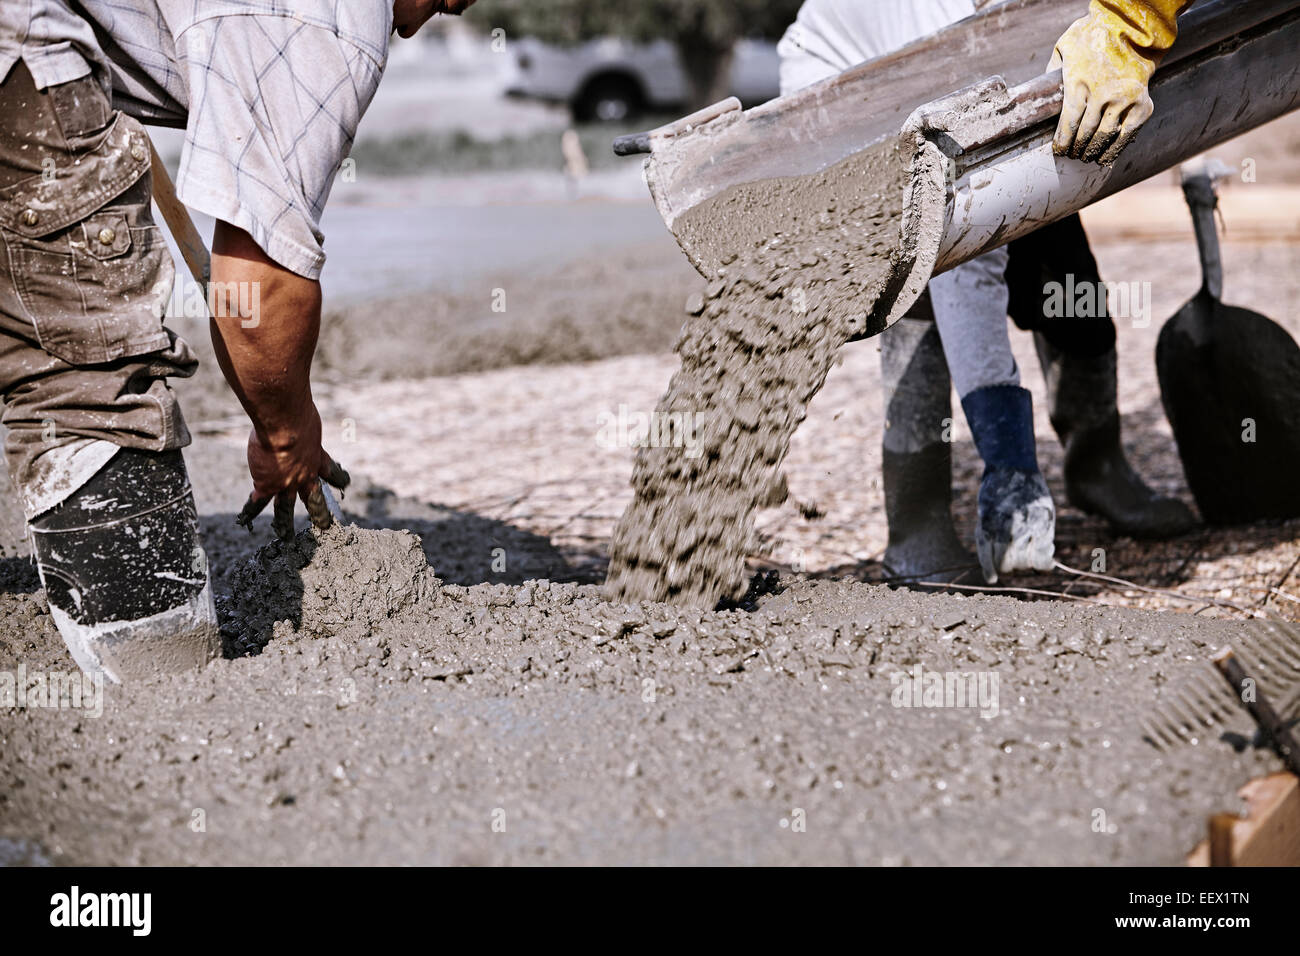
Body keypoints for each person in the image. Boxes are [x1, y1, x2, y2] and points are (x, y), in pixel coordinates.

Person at [0, 0, 478, 682]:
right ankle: (160, 675)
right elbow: (258, 286)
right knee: (86, 363)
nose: (431, 17)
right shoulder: (337, 20)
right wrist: (287, 432)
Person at [778, 0, 1194, 584]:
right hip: (837, 95)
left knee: (1063, 271)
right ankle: (917, 525)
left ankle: (1098, 465)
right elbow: (965, 270)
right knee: (916, 291)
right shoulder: (944, 32)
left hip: (973, 91)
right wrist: (1010, 463)